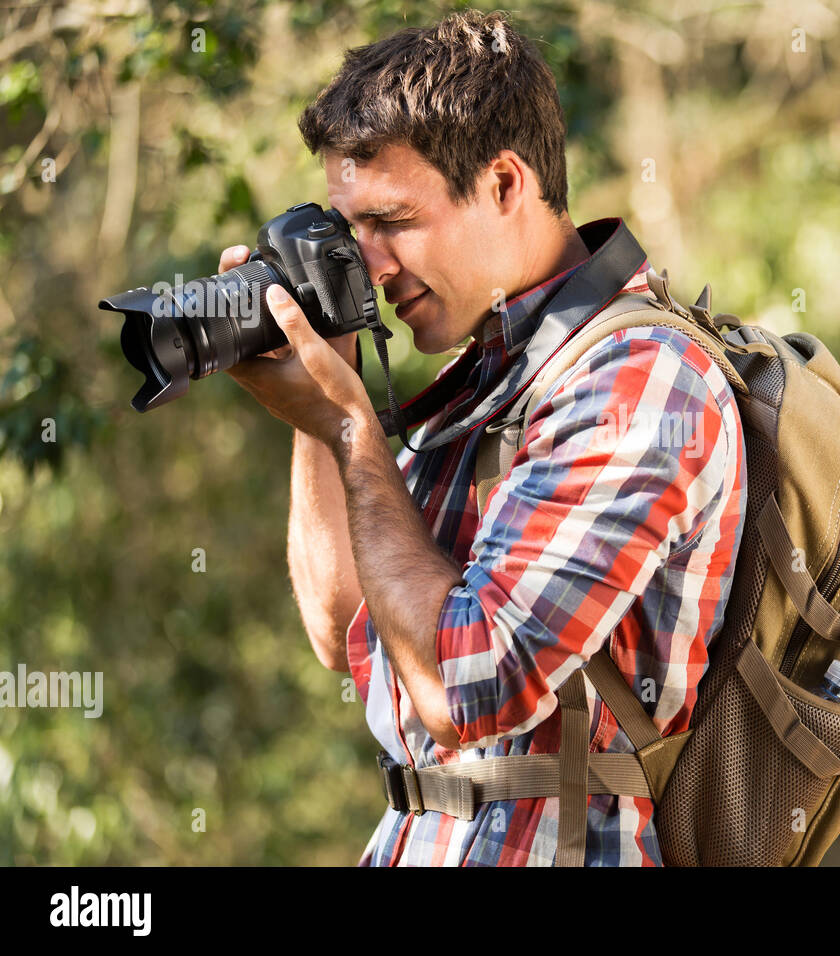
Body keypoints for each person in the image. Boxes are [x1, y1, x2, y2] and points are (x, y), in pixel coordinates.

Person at [218, 11, 746, 866]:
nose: (372, 265)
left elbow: (465, 687)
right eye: (351, 232)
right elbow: (347, 621)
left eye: (391, 221)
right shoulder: (492, 381)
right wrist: (320, 410)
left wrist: (355, 431)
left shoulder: (636, 381)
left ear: (505, 183)